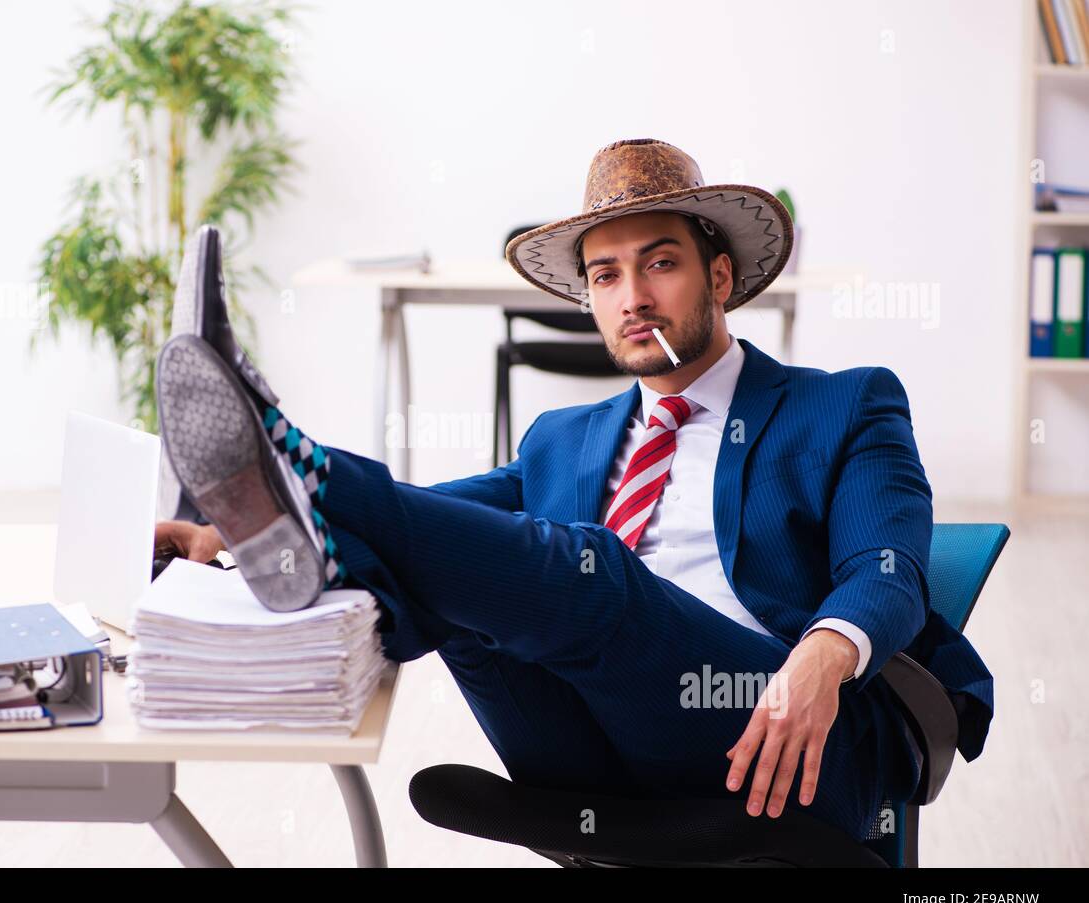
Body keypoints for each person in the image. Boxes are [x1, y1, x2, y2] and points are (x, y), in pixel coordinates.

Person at [152, 138, 994, 844]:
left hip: (778, 735)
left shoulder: (844, 404)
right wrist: (224, 538)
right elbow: (432, 520)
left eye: (660, 263)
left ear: (723, 278)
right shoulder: (563, 438)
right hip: (593, 754)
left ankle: (292, 456)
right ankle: (288, 489)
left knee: (592, 570)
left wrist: (826, 654)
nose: (633, 298)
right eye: (605, 275)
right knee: (454, 577)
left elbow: (886, 569)